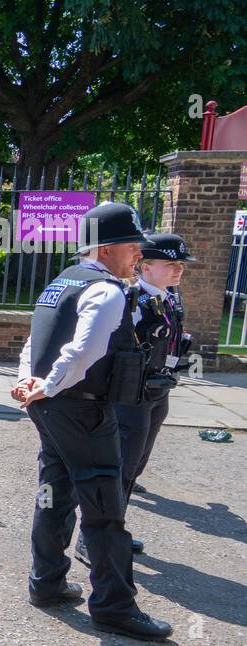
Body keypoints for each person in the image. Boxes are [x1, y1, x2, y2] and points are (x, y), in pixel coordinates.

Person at [12, 202, 172, 641]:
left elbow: (35, 337)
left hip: (50, 406)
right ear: (106, 248)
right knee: (104, 503)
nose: (138, 252)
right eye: (131, 244)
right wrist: (50, 383)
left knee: (55, 490)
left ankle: (47, 582)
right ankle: (114, 606)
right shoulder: (107, 290)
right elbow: (82, 350)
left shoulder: (60, 282)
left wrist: (30, 382)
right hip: (81, 407)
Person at [74, 232, 194, 565]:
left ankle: (114, 530)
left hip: (157, 392)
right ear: (144, 266)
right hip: (131, 397)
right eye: (170, 264)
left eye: (180, 265)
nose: (178, 270)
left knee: (134, 467)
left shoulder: (168, 298)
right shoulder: (132, 300)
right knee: (118, 467)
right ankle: (91, 538)